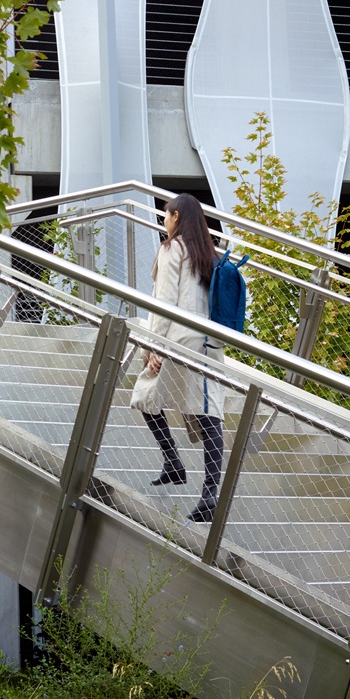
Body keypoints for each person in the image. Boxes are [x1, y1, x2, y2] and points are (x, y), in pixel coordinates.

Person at [129, 193, 226, 524]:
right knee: (208, 411)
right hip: (209, 342)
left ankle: (178, 465)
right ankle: (204, 489)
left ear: (177, 217)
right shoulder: (207, 252)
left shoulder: (172, 249)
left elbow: (165, 302)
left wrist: (152, 346)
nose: (163, 220)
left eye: (166, 215)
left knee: (145, 394)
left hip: (180, 342)